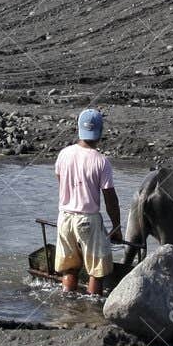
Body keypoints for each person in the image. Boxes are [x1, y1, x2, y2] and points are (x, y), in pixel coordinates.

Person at [53, 107, 122, 295]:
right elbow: (110, 199)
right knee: (96, 271)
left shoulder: (64, 154)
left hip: (65, 218)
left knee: (69, 268)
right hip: (88, 220)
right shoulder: (101, 161)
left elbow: (61, 182)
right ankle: (92, 310)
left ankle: (67, 307)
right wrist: (116, 227)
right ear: (99, 132)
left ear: (79, 130)